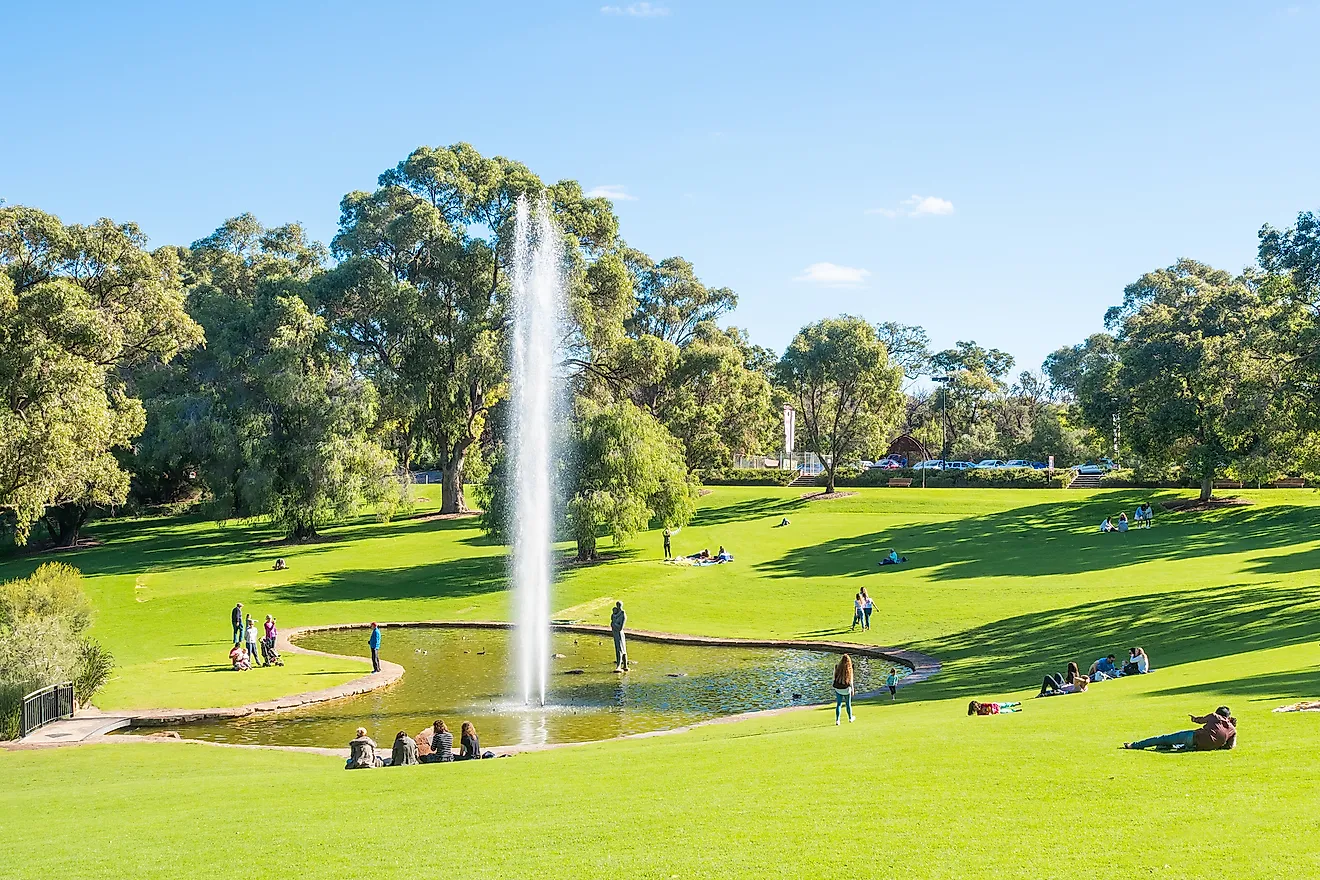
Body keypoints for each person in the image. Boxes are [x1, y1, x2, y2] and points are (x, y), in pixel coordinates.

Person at [1124, 707, 1237, 751]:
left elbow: (1200, 720)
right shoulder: (1233, 729)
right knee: (1172, 742)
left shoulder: (1215, 716)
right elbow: (1230, 746)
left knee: (1164, 738)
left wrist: (1194, 719)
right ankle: (1169, 746)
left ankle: (1134, 745)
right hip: (1200, 747)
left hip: (1193, 738)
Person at [832, 654, 855, 725]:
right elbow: (851, 681)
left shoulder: (837, 667)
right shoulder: (850, 669)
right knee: (848, 704)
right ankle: (850, 718)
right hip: (846, 689)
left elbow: (834, 678)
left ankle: (837, 720)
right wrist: (852, 689)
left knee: (839, 704)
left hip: (838, 688)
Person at [611, 601, 629, 672]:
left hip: (619, 633)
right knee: (620, 648)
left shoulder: (623, 615)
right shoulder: (614, 614)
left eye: (619, 605)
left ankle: (619, 666)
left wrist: (613, 624)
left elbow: (620, 628)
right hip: (615, 633)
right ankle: (625, 665)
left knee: (620, 649)